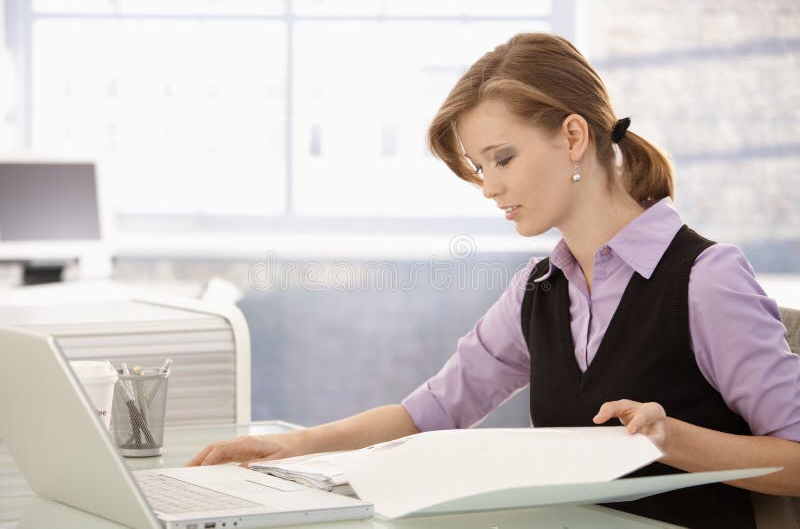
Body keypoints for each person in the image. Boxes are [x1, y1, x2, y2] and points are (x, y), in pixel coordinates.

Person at [188, 33, 800, 528]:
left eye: (502, 158)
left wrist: (674, 441)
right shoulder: (539, 289)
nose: (489, 187)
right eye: (480, 168)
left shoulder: (706, 279)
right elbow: (431, 411)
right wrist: (296, 448)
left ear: (573, 136)